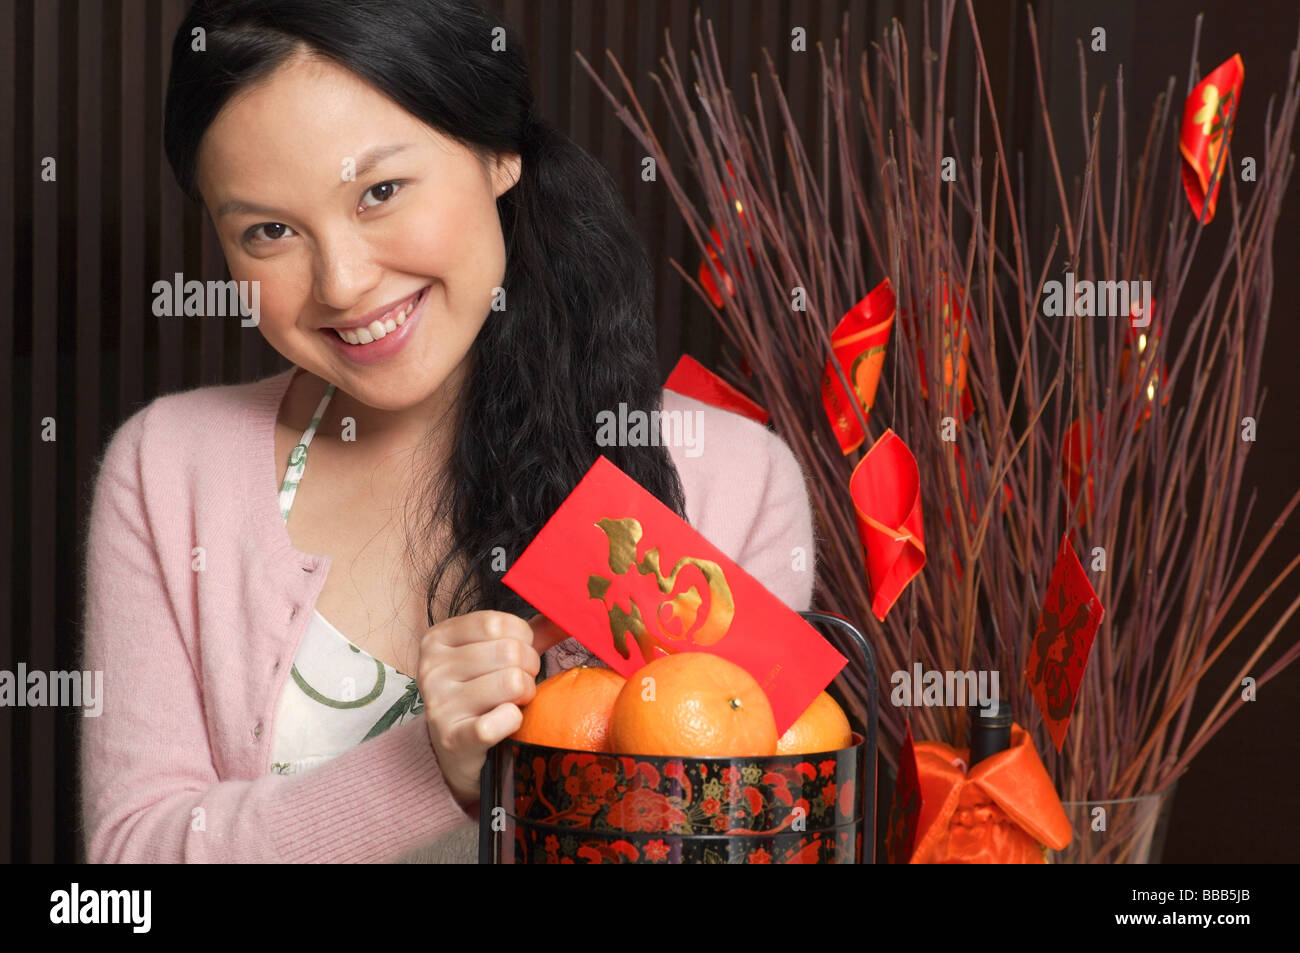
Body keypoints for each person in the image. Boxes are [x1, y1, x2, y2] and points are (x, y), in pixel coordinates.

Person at [78, 0, 816, 863]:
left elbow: (762, 829)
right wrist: (427, 769)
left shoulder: (734, 481)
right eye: (268, 232)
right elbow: (125, 874)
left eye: (380, 192)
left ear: (498, 151)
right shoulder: (169, 471)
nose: (345, 283)